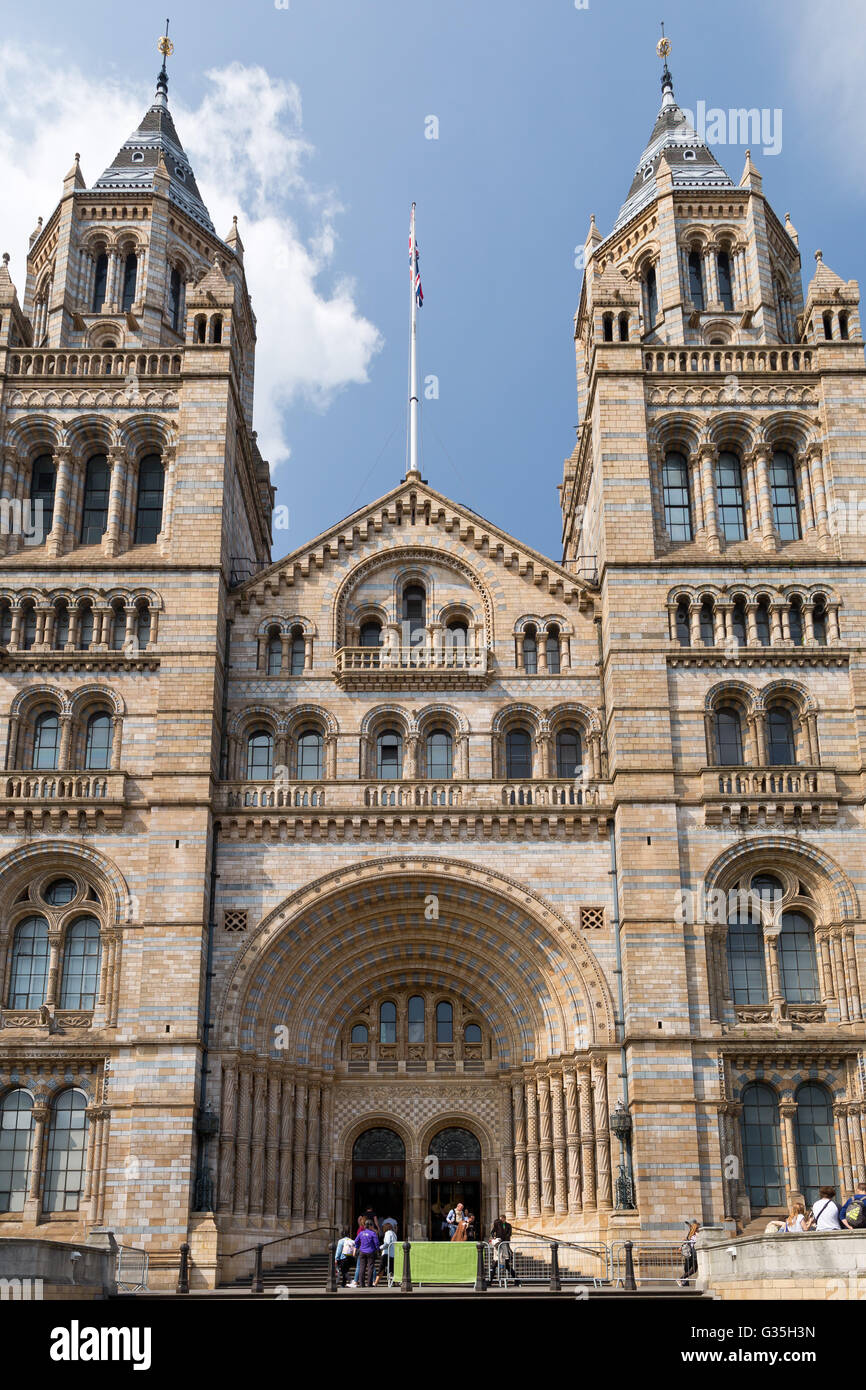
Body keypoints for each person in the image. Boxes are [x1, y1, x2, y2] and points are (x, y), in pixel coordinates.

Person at [355, 1218, 380, 1287]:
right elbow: (376, 1243)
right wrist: (377, 1250)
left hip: (362, 1251)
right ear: (370, 1226)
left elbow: (356, 1241)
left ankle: (362, 1284)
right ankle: (369, 1283)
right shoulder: (373, 1233)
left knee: (362, 1267)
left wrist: (358, 1247)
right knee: (370, 1267)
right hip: (370, 1252)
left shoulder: (361, 1233)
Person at [677, 1221, 700, 1287]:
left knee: (690, 1269)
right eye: (698, 1228)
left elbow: (686, 1242)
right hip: (694, 1254)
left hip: (690, 1254)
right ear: (696, 1229)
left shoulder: (690, 1235)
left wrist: (681, 1246)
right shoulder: (695, 1235)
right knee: (693, 1269)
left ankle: (683, 1282)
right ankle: (681, 1279)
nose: (699, 1229)